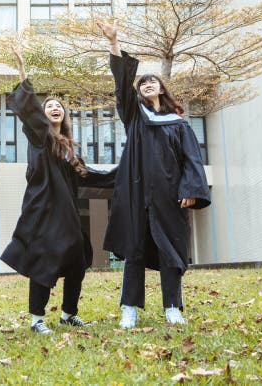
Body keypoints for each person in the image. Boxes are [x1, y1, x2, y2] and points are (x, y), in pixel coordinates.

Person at [96, 18, 211, 328]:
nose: (147, 84)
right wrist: (113, 43)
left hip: (170, 196)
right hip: (136, 194)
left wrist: (190, 189)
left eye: (152, 81)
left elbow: (192, 159)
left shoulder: (178, 124)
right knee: (134, 250)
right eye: (143, 83)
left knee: (170, 250)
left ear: (162, 88)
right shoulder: (134, 116)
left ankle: (173, 306)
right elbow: (122, 85)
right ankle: (129, 308)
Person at [1, 46, 115, 334]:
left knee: (78, 259)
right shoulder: (40, 136)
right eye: (49, 105)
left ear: (64, 115)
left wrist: (122, 173)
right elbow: (29, 110)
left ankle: (68, 314)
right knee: (44, 259)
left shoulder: (68, 148)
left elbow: (87, 176)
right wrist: (22, 72)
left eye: (59, 106)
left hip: (67, 213)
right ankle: (36, 319)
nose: (54, 108)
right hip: (43, 208)